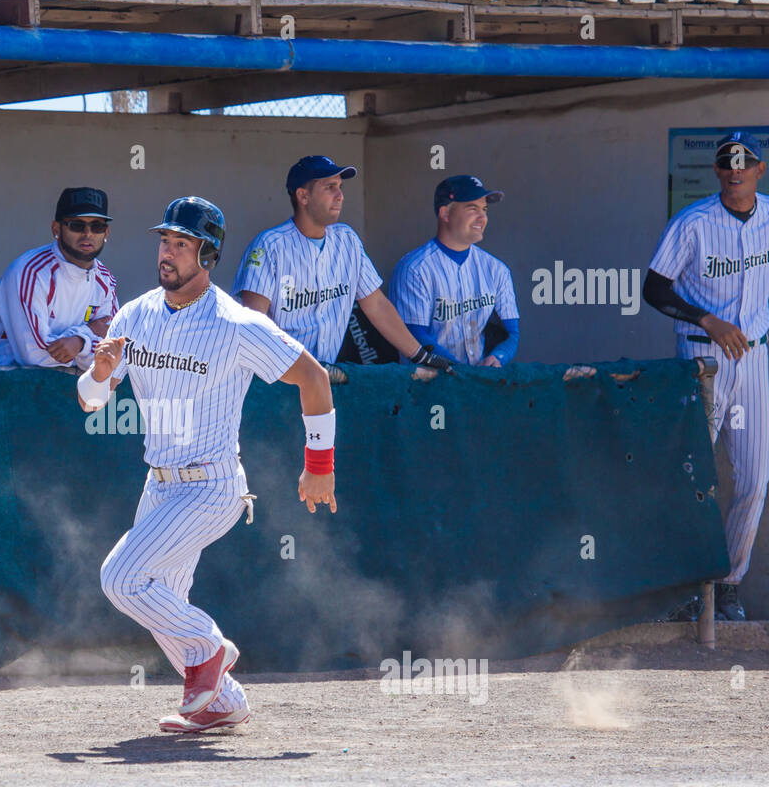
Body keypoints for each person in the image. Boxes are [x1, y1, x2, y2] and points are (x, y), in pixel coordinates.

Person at [80, 197, 337, 734]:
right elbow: (90, 401)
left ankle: (210, 648)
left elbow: (313, 377)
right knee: (162, 603)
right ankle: (226, 702)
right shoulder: (137, 313)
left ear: (208, 253)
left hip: (211, 485)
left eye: (182, 244)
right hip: (159, 484)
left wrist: (320, 463)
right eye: (165, 241)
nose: (167, 253)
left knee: (121, 579)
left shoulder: (236, 323)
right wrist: (100, 374)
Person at [644, 131, 769, 622]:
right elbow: (654, 288)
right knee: (691, 477)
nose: (735, 170)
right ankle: (684, 588)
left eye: (745, 163)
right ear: (717, 170)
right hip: (701, 359)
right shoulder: (693, 223)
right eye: (727, 162)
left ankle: (727, 585)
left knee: (755, 477)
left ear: (760, 171)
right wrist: (705, 317)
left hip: (752, 358)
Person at [231, 155, 451, 376]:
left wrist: (420, 355)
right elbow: (255, 320)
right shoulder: (270, 245)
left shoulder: (347, 240)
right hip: (273, 378)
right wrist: (303, 367)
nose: (340, 196)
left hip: (324, 374)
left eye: (340, 187)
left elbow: (376, 305)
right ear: (303, 196)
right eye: (330, 187)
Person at [0, 187, 119, 370]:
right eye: (76, 225)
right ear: (56, 229)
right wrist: (88, 334)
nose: (88, 233)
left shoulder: (105, 280)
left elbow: (113, 354)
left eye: (97, 226)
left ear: (106, 233)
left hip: (40, 384)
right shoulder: (31, 271)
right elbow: (34, 356)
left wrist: (78, 342)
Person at [388, 175, 520, 367]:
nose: (482, 217)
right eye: (472, 208)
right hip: (427, 385)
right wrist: (462, 374)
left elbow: (512, 333)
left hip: (478, 382)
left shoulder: (496, 270)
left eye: (484, 209)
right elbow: (413, 335)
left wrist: (498, 357)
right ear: (445, 213)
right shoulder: (415, 269)